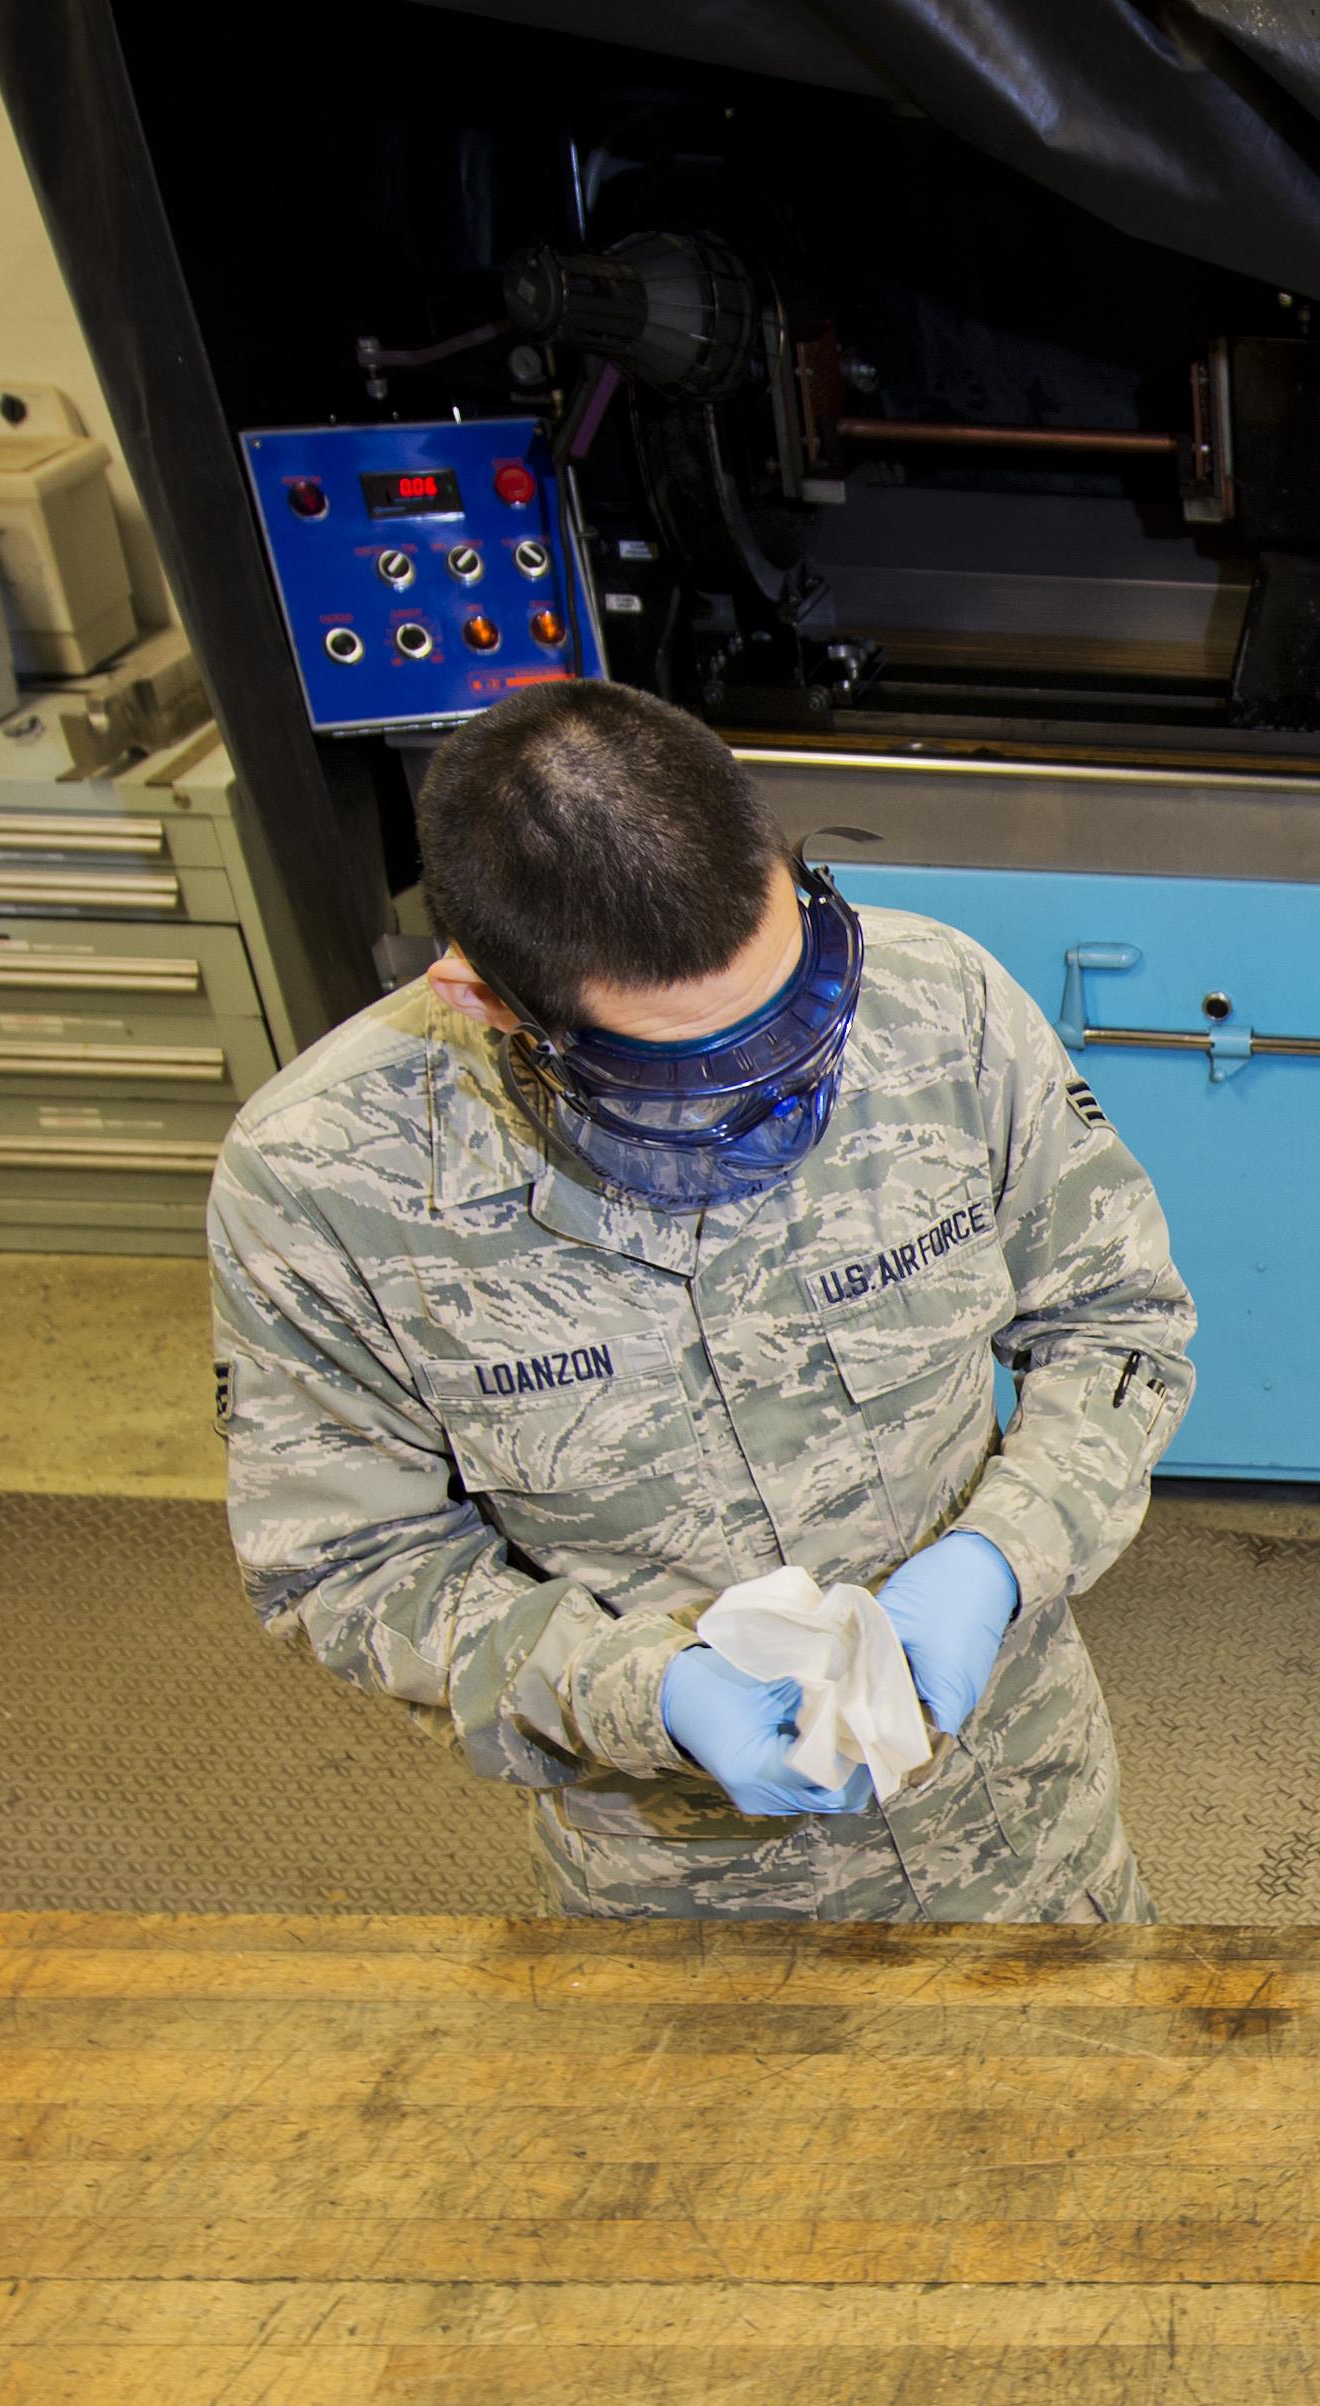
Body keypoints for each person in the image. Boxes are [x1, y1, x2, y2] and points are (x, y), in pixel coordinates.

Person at [210, 679, 1194, 1918]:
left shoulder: (940, 1003)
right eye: (689, 1073)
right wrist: (639, 1687)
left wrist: (1002, 1556)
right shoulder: (324, 1177)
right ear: (489, 1002)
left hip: (1023, 1816)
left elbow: (1117, 1327)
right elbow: (344, 1565)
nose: (772, 1101)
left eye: (796, 1017)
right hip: (681, 1890)